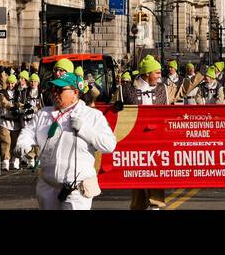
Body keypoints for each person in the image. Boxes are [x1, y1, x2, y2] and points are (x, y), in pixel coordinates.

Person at [18, 72, 117, 210]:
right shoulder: (43, 114)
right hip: (47, 186)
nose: (55, 93)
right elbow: (28, 132)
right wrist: (24, 144)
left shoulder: (92, 115)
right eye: (53, 89)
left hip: (76, 191)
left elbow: (109, 145)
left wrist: (84, 129)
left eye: (60, 89)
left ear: (75, 92)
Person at [119, 54, 175, 210]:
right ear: (146, 73)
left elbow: (179, 97)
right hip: (135, 141)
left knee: (156, 173)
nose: (159, 76)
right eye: (156, 73)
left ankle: (156, 205)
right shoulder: (126, 89)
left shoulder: (163, 88)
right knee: (137, 174)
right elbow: (114, 113)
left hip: (157, 139)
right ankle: (138, 206)